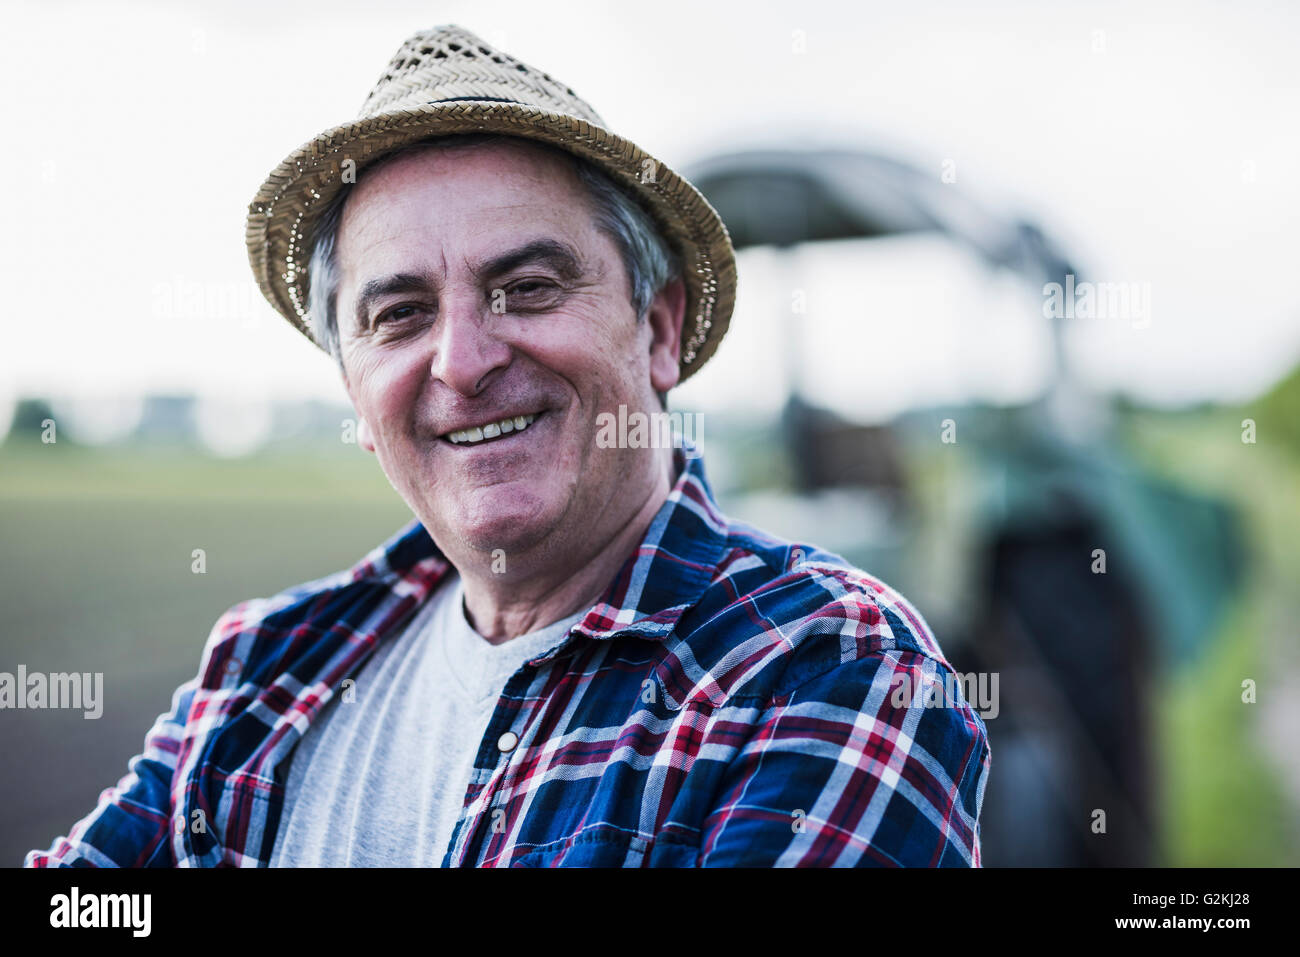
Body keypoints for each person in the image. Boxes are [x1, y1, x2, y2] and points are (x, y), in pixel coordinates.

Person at [26, 23, 989, 868]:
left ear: (658, 331)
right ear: (357, 396)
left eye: (527, 287)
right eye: (399, 315)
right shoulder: (266, 667)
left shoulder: (828, 670)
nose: (463, 360)